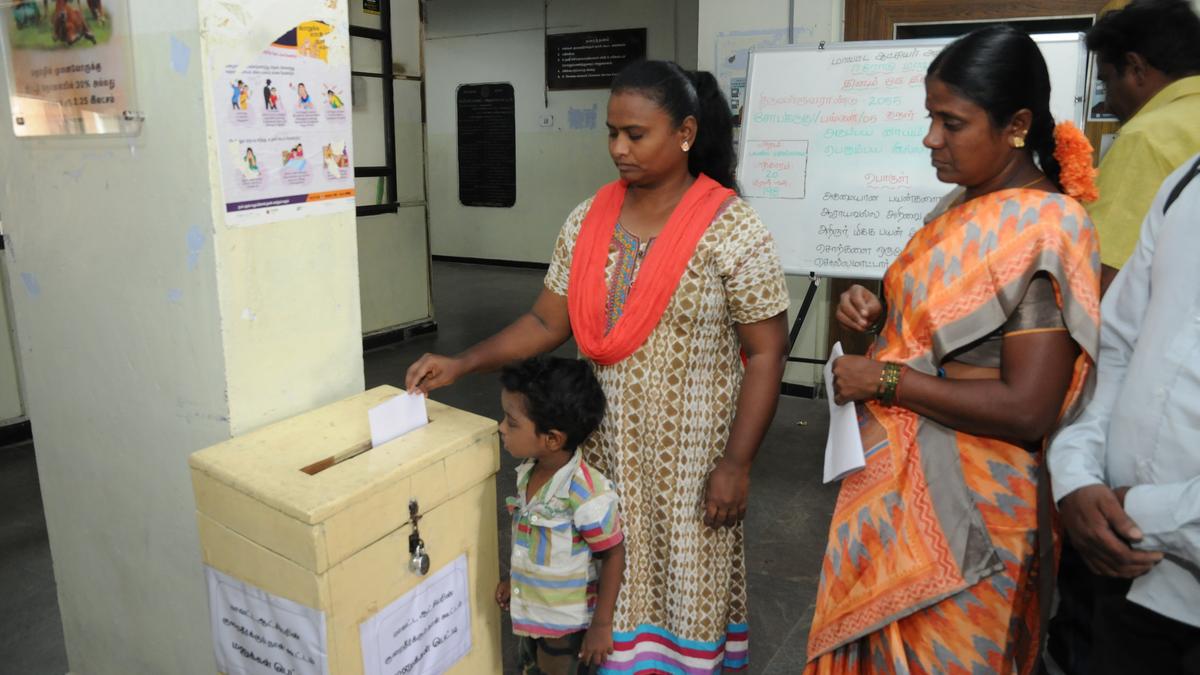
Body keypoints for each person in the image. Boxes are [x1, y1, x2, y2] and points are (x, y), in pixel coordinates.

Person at [407, 59, 789, 672]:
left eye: (635, 134)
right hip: (599, 454)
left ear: (686, 133)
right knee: (597, 565)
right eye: (612, 132)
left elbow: (768, 351)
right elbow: (544, 322)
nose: (618, 148)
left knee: (677, 584)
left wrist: (737, 464)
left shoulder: (732, 228)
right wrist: (463, 361)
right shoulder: (588, 219)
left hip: (689, 464)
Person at [806, 26, 1101, 674]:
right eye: (930, 118)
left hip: (975, 511)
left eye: (951, 121)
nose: (930, 139)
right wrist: (870, 320)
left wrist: (885, 380)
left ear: (1017, 124)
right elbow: (923, 335)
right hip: (894, 491)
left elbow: (1028, 407)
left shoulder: (1047, 227)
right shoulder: (955, 207)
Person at [1048, 153, 1200, 675]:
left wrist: (1147, 513)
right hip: (1132, 574)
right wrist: (1075, 475)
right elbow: (1117, 345)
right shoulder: (1189, 180)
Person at [494, 356, 625, 674]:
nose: (500, 427)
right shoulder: (527, 472)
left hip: (562, 622)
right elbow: (534, 539)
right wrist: (516, 579)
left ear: (552, 439)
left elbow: (613, 554)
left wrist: (601, 625)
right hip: (531, 611)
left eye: (511, 422)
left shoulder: (585, 493)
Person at [1083, 0, 1200, 293]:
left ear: (1136, 68)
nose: (1107, 102)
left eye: (1106, 82)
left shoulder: (1147, 137)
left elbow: (1102, 275)